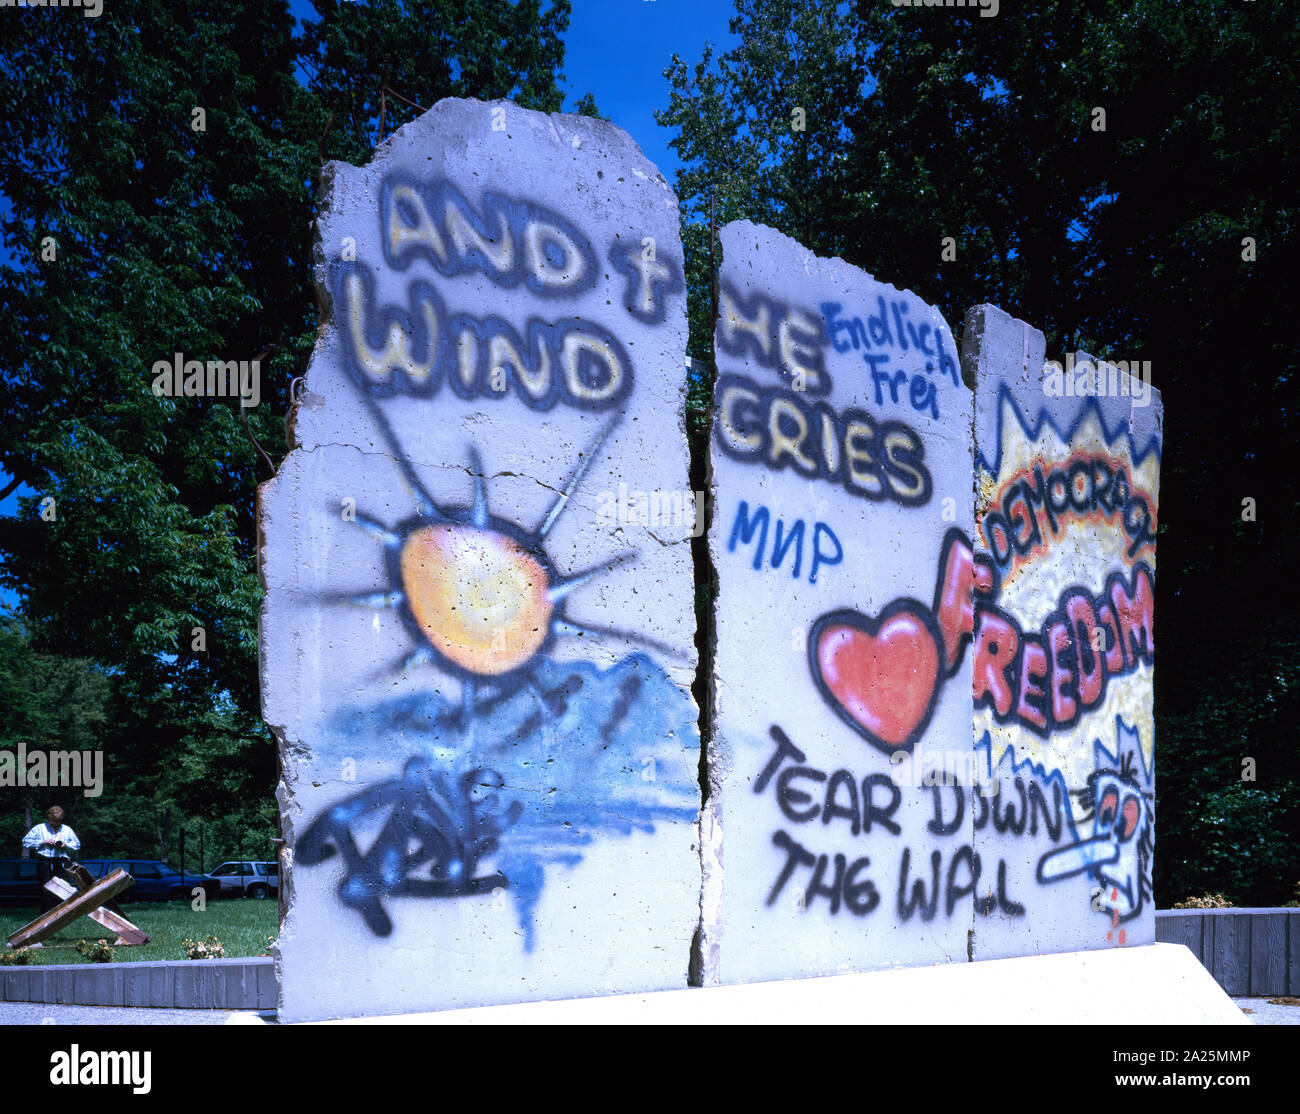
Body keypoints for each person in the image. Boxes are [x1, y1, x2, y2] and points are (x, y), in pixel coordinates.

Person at [22, 806, 81, 912]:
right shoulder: (39, 828)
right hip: (44, 861)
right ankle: (45, 914)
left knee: (62, 887)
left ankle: (61, 913)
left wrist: (66, 845)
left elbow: (77, 845)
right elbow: (25, 841)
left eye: (58, 821)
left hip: (61, 861)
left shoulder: (67, 829)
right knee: (45, 887)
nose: (56, 823)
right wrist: (43, 842)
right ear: (49, 818)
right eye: (54, 821)